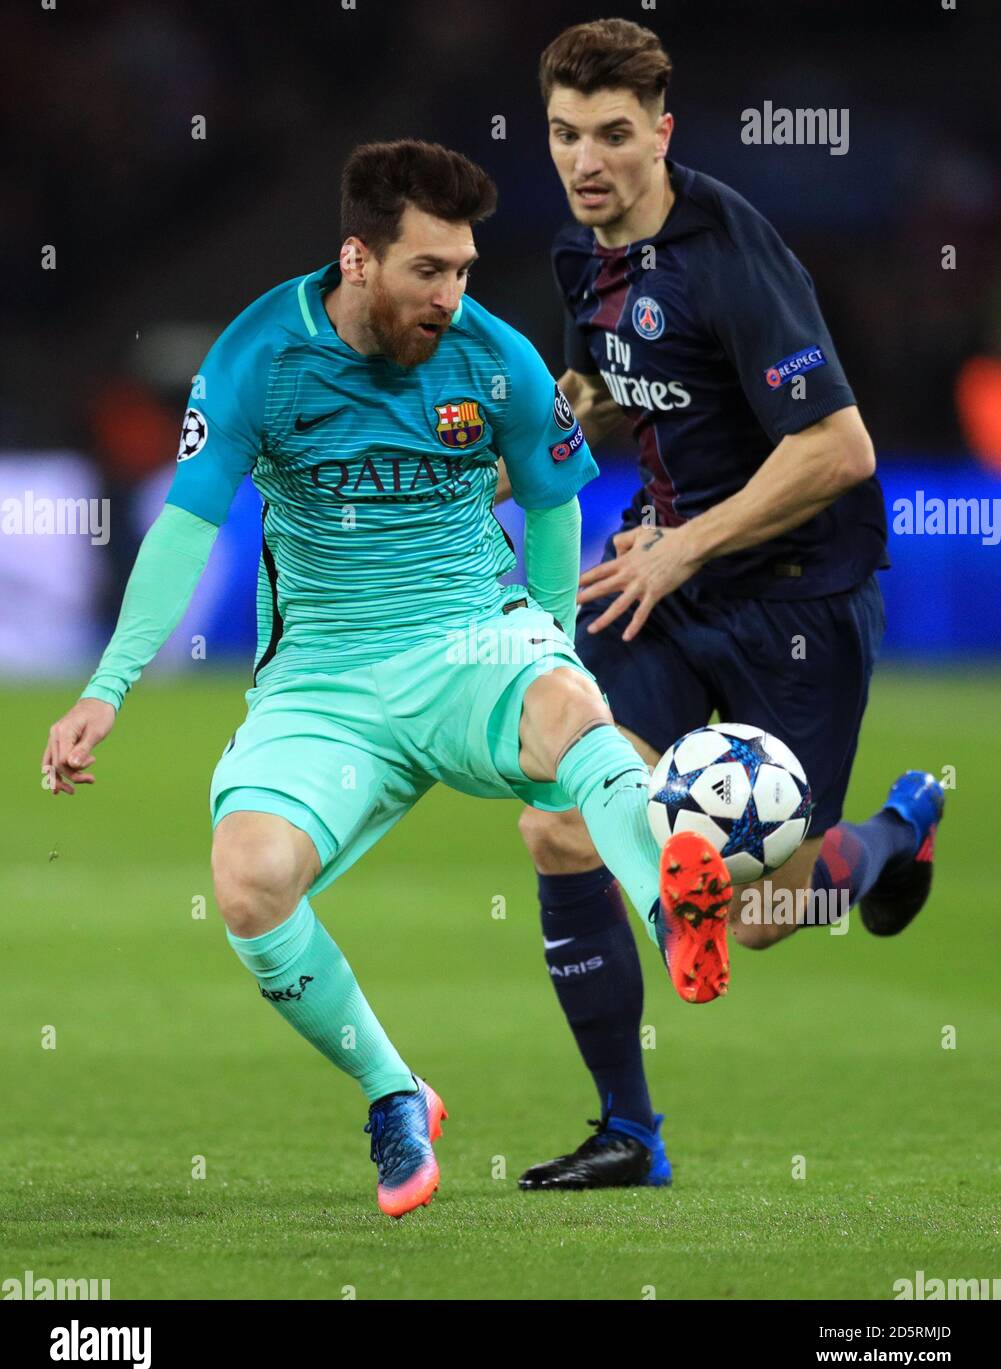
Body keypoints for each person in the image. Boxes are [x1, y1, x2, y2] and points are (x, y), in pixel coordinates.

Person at [41, 139, 731, 1219]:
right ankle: (393, 1089)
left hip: (470, 643)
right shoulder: (258, 355)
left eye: (461, 269)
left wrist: (547, 643)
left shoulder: (492, 356)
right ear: (357, 260)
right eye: (428, 271)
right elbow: (184, 527)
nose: (450, 296)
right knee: (247, 879)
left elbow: (550, 508)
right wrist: (108, 687)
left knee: (570, 705)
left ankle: (669, 905)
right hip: (321, 681)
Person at [506, 20, 944, 1193]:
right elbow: (610, 397)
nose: (583, 160)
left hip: (795, 601)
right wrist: (509, 460)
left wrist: (679, 544)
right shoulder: (580, 257)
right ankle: (627, 1133)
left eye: (609, 135)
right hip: (666, 583)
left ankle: (897, 829)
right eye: (561, 134)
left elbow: (837, 447)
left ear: (660, 131)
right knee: (559, 815)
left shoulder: (727, 253)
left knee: (755, 917)